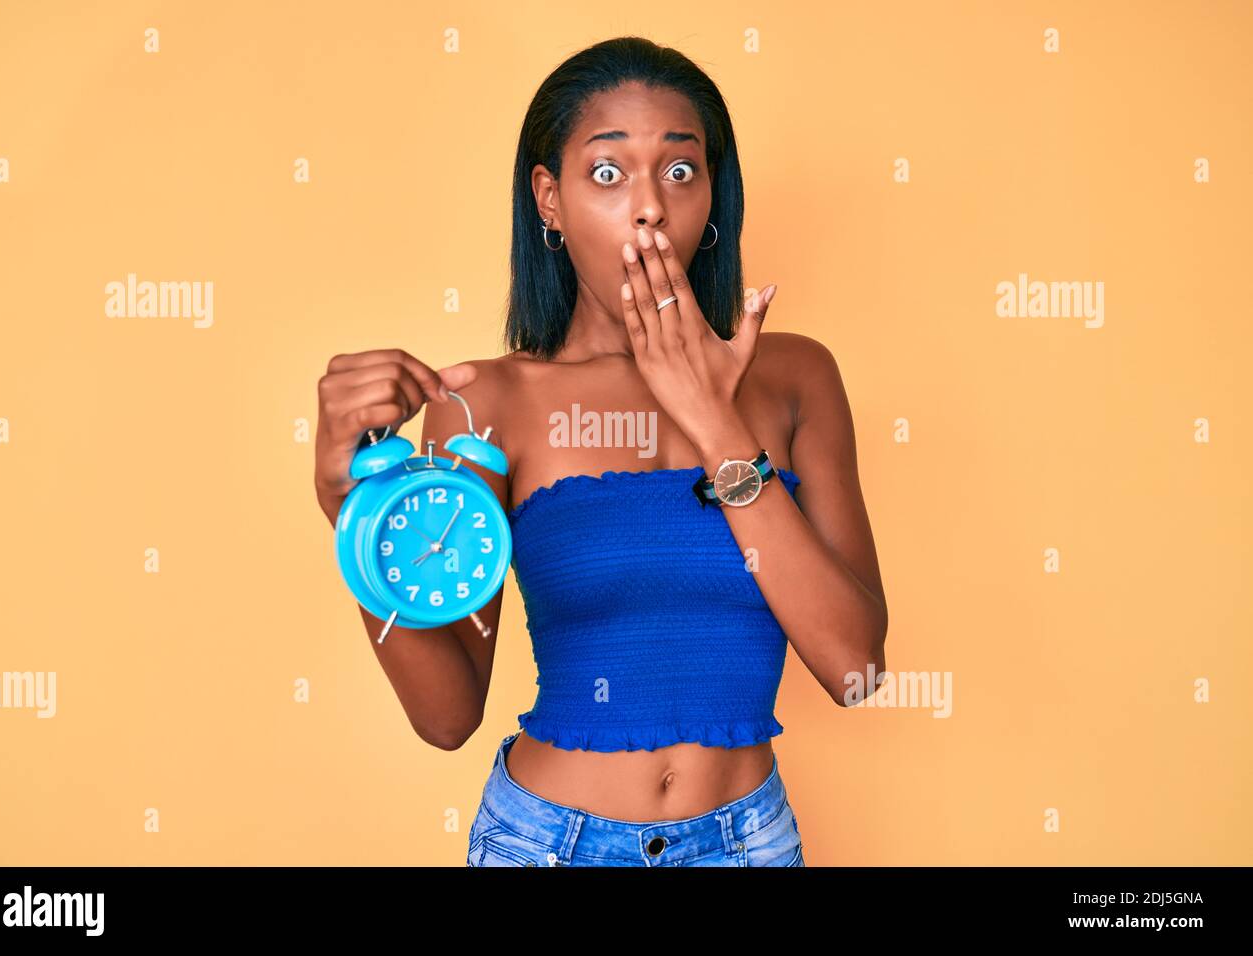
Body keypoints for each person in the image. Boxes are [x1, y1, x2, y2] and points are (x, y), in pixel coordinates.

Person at [313, 36, 887, 867]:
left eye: (680, 171)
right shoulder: (485, 404)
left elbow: (855, 669)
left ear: (712, 194)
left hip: (749, 845)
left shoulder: (796, 376)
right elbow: (447, 717)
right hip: (547, 843)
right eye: (609, 173)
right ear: (549, 198)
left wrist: (714, 422)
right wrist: (350, 511)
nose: (649, 206)